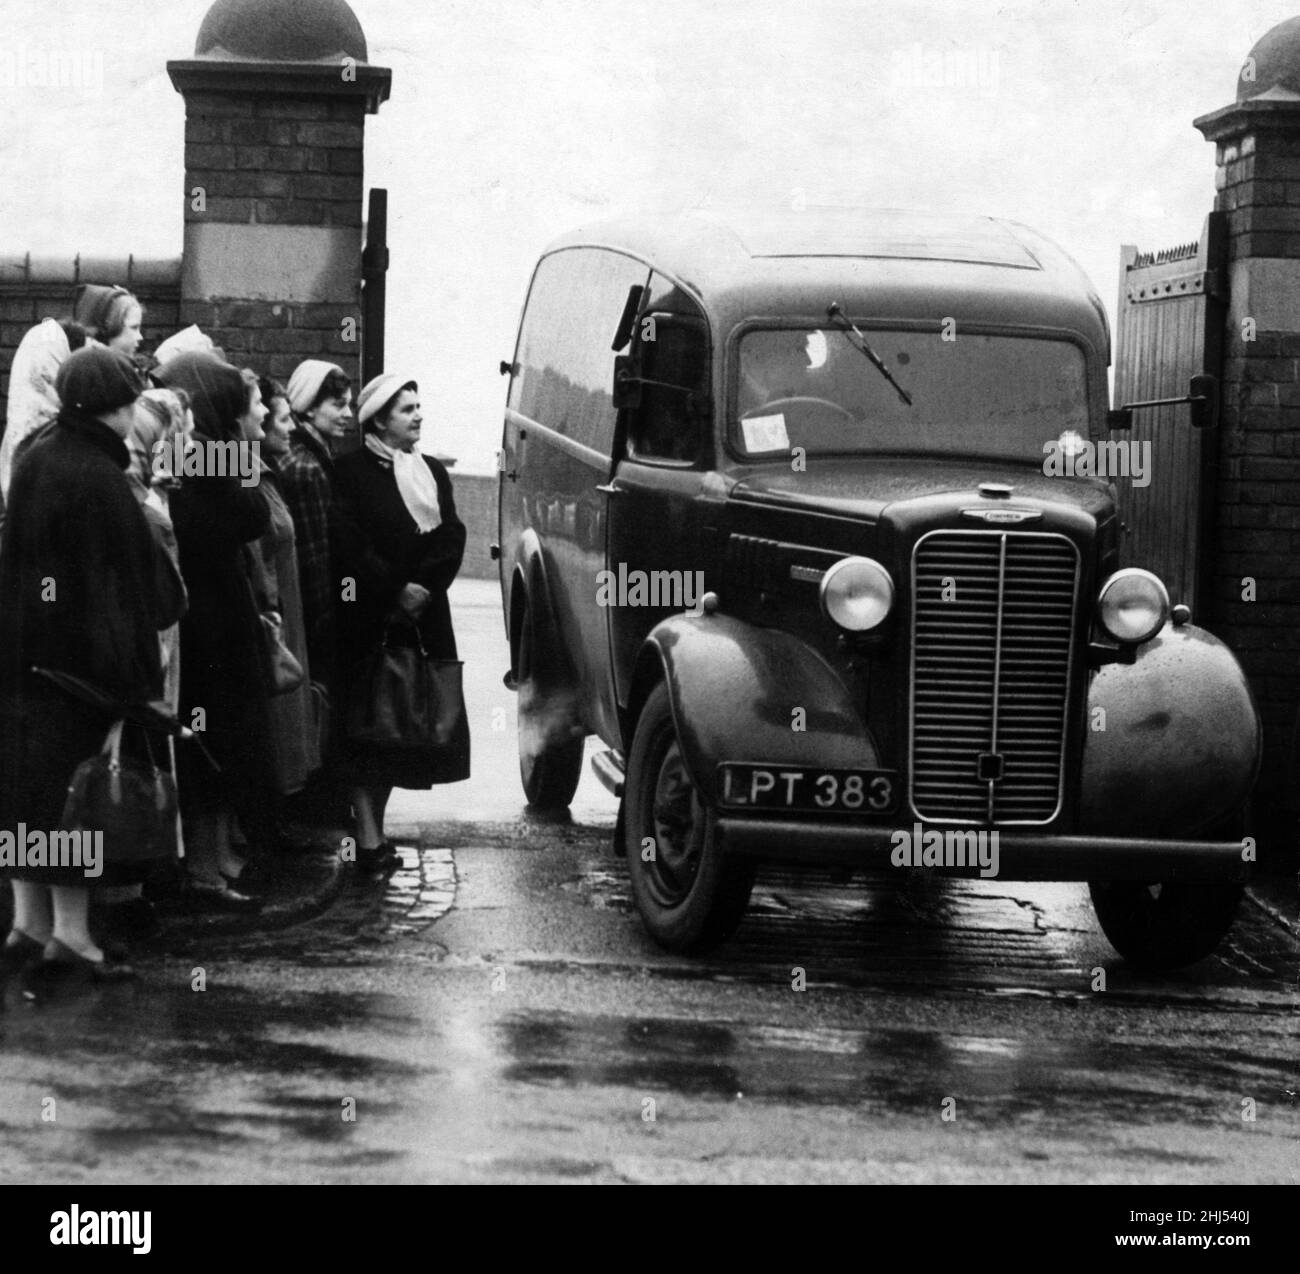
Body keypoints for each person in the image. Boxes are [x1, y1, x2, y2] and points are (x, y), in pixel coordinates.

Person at [0, 346, 184, 980]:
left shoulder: (36, 457)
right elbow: (125, 596)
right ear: (119, 408)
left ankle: (29, 925)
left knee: (27, 797)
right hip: (82, 672)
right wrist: (132, 685)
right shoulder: (100, 477)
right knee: (73, 801)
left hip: (26, 658)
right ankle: (74, 938)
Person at [332, 374, 468, 871]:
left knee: (402, 730)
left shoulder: (430, 471)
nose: (418, 416)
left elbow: (451, 535)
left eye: (418, 406)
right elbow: (350, 543)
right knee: (370, 729)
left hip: (423, 618)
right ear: (379, 419)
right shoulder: (347, 472)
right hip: (371, 619)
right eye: (406, 409)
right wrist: (394, 590)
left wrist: (424, 589)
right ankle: (367, 840)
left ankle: (375, 832)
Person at [154, 353, 272, 908]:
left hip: (220, 615)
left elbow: (252, 515)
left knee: (226, 741)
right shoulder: (194, 452)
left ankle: (217, 856)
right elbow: (253, 515)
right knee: (213, 744)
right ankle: (205, 869)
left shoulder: (205, 452)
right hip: (205, 622)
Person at [250, 376, 321, 803]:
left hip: (286, 607)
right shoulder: (249, 477)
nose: (290, 427)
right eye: (282, 418)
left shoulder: (269, 476)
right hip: (274, 610)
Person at [279, 360, 352, 695]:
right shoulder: (308, 467)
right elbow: (315, 560)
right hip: (312, 620)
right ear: (308, 408)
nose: (348, 414)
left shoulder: (302, 452)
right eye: (338, 405)